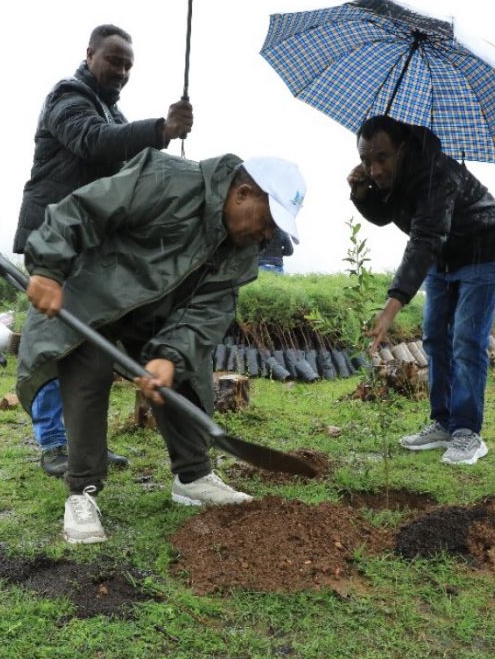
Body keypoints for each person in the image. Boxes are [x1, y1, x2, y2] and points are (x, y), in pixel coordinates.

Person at [18, 148, 306, 544]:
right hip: (93, 296)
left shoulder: (241, 254)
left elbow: (206, 315)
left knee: (187, 370)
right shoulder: (167, 179)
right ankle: (81, 492)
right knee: (89, 366)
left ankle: (193, 476)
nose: (268, 235)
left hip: (156, 320)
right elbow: (84, 209)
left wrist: (170, 357)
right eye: (269, 220)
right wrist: (48, 270)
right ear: (242, 193)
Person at [13, 24, 194, 478]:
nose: (122, 71)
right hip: (53, 242)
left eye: (129, 65)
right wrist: (159, 128)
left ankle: (82, 444)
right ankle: (54, 444)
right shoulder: (68, 99)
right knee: (52, 343)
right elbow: (92, 142)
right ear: (90, 54)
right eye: (114, 61)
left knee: (85, 346)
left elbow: (129, 170)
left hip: (88, 243)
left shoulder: (111, 111)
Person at [348, 116, 495, 466]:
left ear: (403, 150)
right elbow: (386, 212)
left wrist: (391, 309)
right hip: (444, 254)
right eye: (366, 160)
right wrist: (362, 194)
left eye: (381, 158)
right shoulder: (396, 175)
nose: (374, 169)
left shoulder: (437, 175)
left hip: (484, 246)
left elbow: (424, 239)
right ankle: (443, 422)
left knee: (467, 338)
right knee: (436, 336)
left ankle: (468, 432)